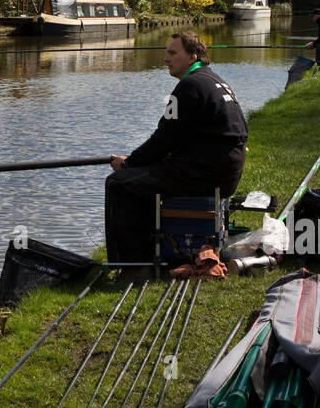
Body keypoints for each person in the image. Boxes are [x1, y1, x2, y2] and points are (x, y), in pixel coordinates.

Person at [104, 32, 247, 266]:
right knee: (144, 173)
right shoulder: (213, 80)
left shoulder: (188, 87)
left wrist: (129, 163)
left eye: (172, 52)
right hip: (226, 171)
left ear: (192, 56)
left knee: (120, 183)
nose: (165, 59)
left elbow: (164, 138)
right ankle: (153, 248)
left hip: (207, 173)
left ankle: (132, 264)